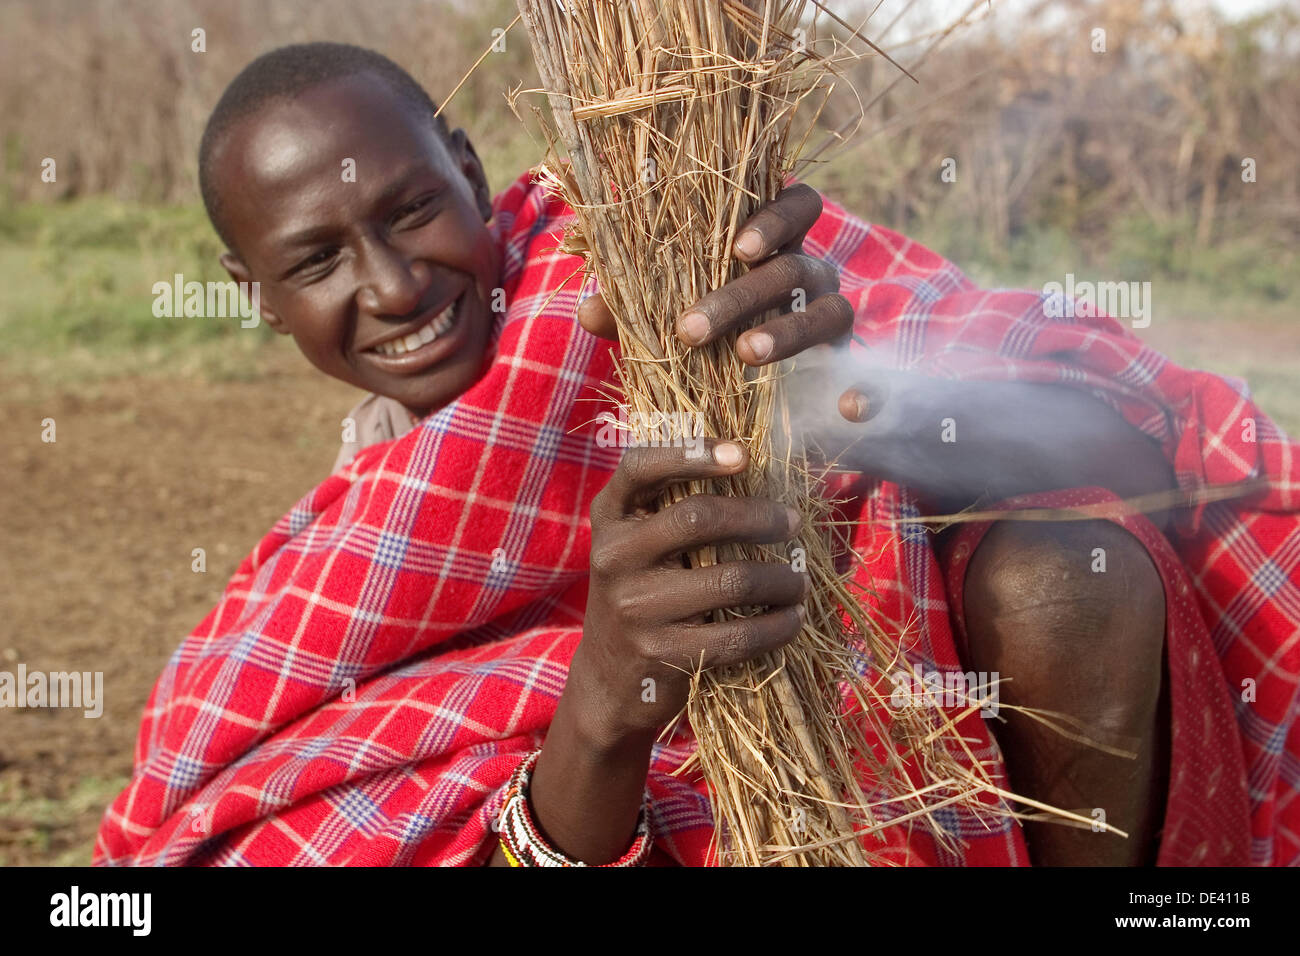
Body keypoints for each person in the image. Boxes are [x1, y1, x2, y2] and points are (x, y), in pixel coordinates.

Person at [95, 43, 1300, 867]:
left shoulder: (673, 264)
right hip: (657, 810)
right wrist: (607, 706)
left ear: (466, 169)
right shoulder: (360, 540)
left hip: (918, 754)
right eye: (316, 261)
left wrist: (848, 397)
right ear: (252, 295)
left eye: (411, 209)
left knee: (1064, 575)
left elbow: (1137, 443)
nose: (395, 283)